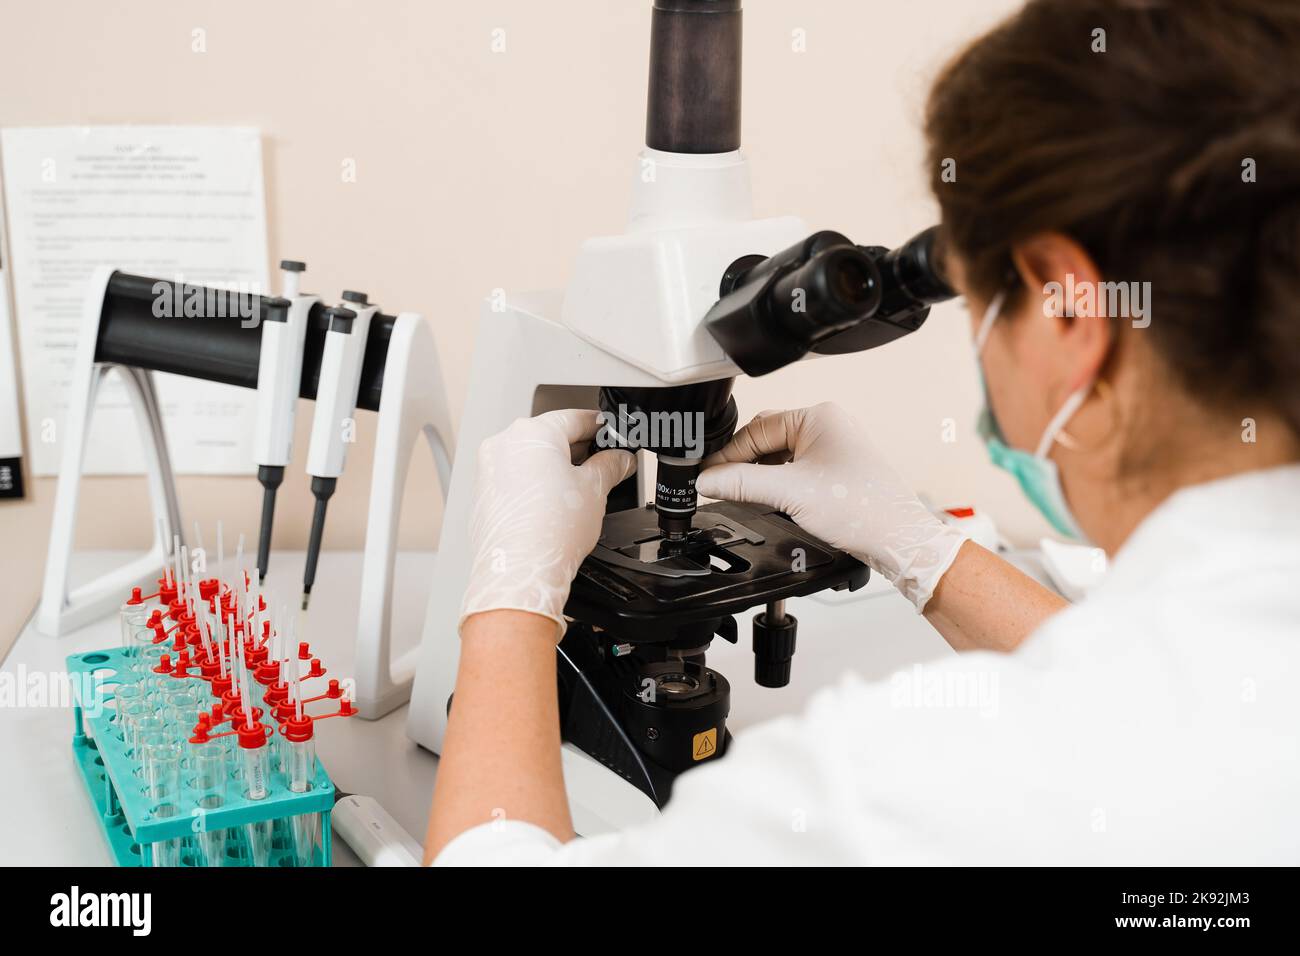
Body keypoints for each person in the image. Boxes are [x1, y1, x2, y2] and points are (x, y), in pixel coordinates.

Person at [424, 0, 1300, 865]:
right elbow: (1148, 706)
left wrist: (507, 596)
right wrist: (928, 551)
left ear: (1071, 312)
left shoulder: (908, 788)